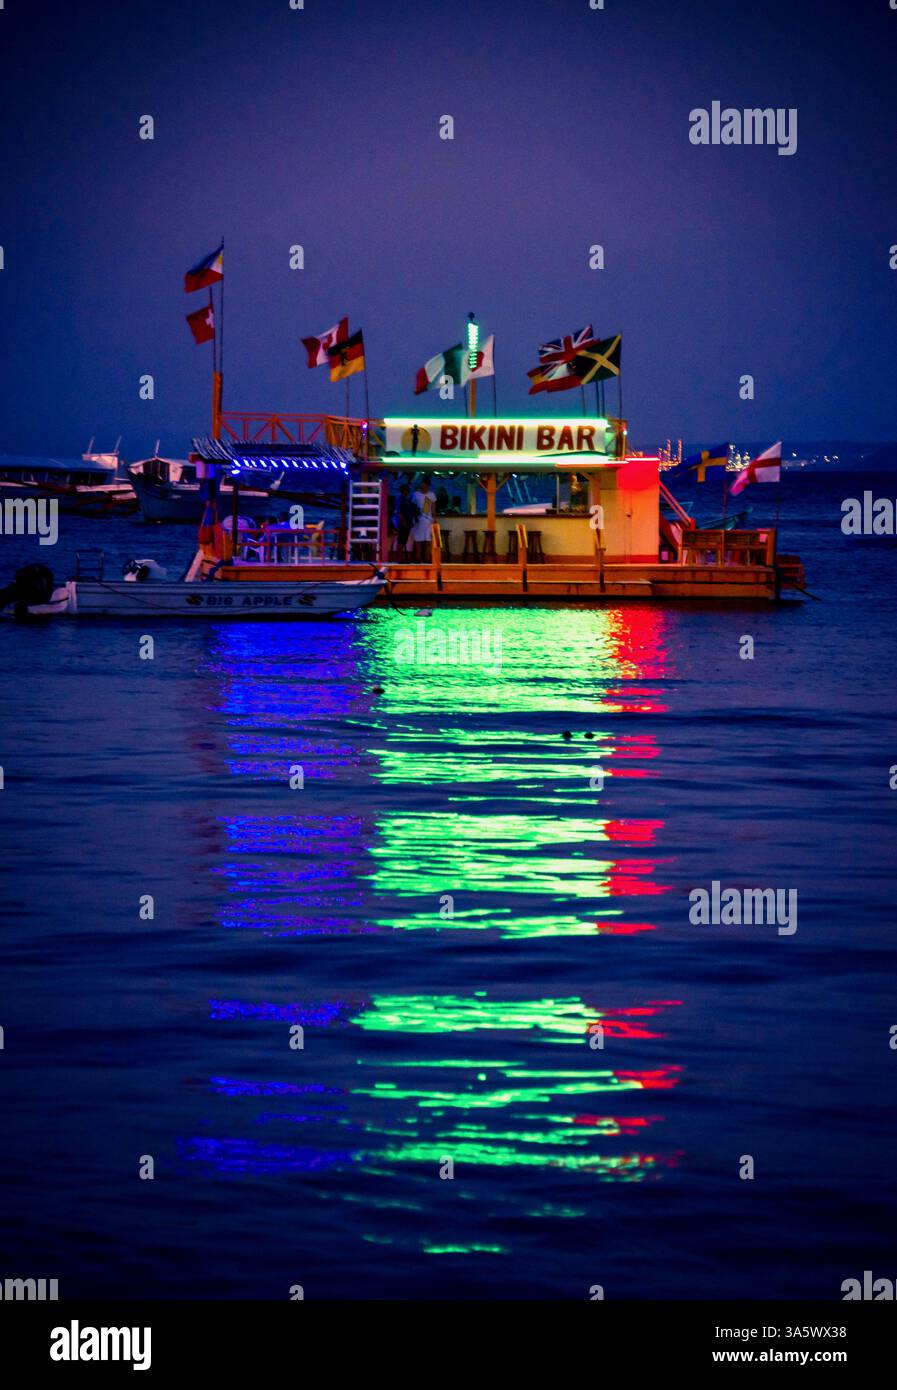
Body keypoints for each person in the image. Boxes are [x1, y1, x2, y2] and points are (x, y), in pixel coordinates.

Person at [411, 474, 437, 562]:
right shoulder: (416, 494)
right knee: (418, 539)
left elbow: (433, 509)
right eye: (422, 484)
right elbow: (413, 507)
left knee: (427, 540)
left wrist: (434, 520)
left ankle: (427, 557)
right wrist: (415, 517)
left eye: (425, 485)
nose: (423, 486)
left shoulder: (431, 495)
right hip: (418, 519)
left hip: (428, 520)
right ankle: (418, 557)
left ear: (428, 485)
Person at [393, 483, 418, 558]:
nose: (408, 492)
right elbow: (399, 511)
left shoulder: (406, 499)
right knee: (401, 539)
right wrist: (403, 521)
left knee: (404, 540)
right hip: (403, 523)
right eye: (407, 491)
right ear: (404, 491)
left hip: (407, 522)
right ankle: (398, 557)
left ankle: (400, 556)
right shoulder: (400, 498)